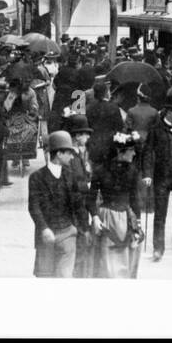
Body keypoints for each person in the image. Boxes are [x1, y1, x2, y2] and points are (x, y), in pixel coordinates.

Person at [141, 91, 172, 262]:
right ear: (169, 111)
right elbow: (147, 153)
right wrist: (147, 174)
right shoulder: (155, 130)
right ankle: (158, 248)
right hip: (162, 177)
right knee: (160, 213)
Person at [27, 131, 85, 278]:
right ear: (59, 153)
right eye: (69, 153)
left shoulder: (70, 175)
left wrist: (83, 229)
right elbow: (34, 206)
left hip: (68, 234)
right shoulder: (36, 178)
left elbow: (78, 204)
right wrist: (44, 228)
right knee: (45, 277)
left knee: (64, 276)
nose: (72, 157)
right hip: (46, 236)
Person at [87, 131, 144, 278]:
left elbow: (134, 199)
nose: (134, 154)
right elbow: (90, 198)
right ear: (120, 152)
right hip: (106, 219)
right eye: (131, 150)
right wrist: (95, 217)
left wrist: (137, 223)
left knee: (127, 262)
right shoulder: (100, 171)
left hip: (126, 219)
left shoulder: (132, 170)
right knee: (107, 265)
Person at [67, 117, 97, 277]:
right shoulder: (70, 157)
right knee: (79, 242)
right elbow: (72, 182)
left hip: (85, 204)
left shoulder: (83, 153)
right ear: (77, 136)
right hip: (75, 207)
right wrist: (88, 186)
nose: (88, 138)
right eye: (85, 134)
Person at [3, 75, 40, 175]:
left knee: (31, 129)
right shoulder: (13, 91)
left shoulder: (31, 92)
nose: (27, 84)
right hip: (13, 117)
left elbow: (34, 104)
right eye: (25, 82)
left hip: (26, 116)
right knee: (11, 129)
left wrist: (33, 108)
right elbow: (7, 105)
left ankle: (26, 155)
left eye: (29, 82)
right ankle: (14, 155)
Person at [84, 80, 125, 167]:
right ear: (106, 92)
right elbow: (119, 127)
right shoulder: (114, 108)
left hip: (93, 144)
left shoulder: (88, 108)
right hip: (109, 145)